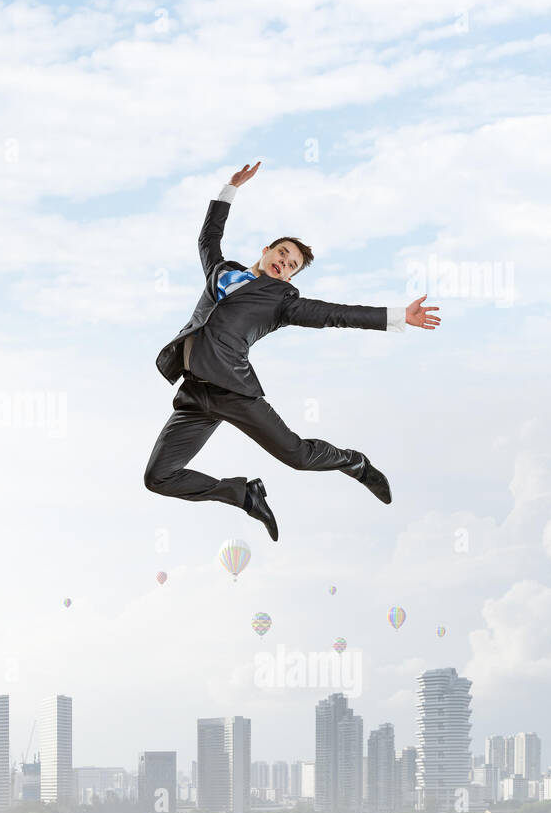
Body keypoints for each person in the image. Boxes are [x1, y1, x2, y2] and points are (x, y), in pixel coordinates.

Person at [144, 160, 441, 541]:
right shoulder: (220, 271)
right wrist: (229, 189)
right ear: (267, 250)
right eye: (282, 254)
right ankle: (243, 494)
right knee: (159, 477)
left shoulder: (281, 300)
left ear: (289, 278)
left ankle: (355, 462)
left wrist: (397, 315)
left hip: (235, 392)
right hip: (194, 394)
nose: (284, 263)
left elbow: (336, 314)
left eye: (291, 265)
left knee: (298, 457)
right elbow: (208, 239)